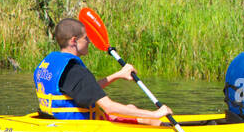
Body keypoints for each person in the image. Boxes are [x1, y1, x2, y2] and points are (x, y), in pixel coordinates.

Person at [35, 18, 173, 123]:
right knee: (148, 120)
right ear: (74, 41)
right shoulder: (77, 72)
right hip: (78, 126)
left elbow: (83, 89)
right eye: (86, 38)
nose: (89, 41)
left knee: (131, 108)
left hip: (54, 120)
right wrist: (155, 114)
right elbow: (109, 107)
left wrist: (118, 75)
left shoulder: (51, 62)